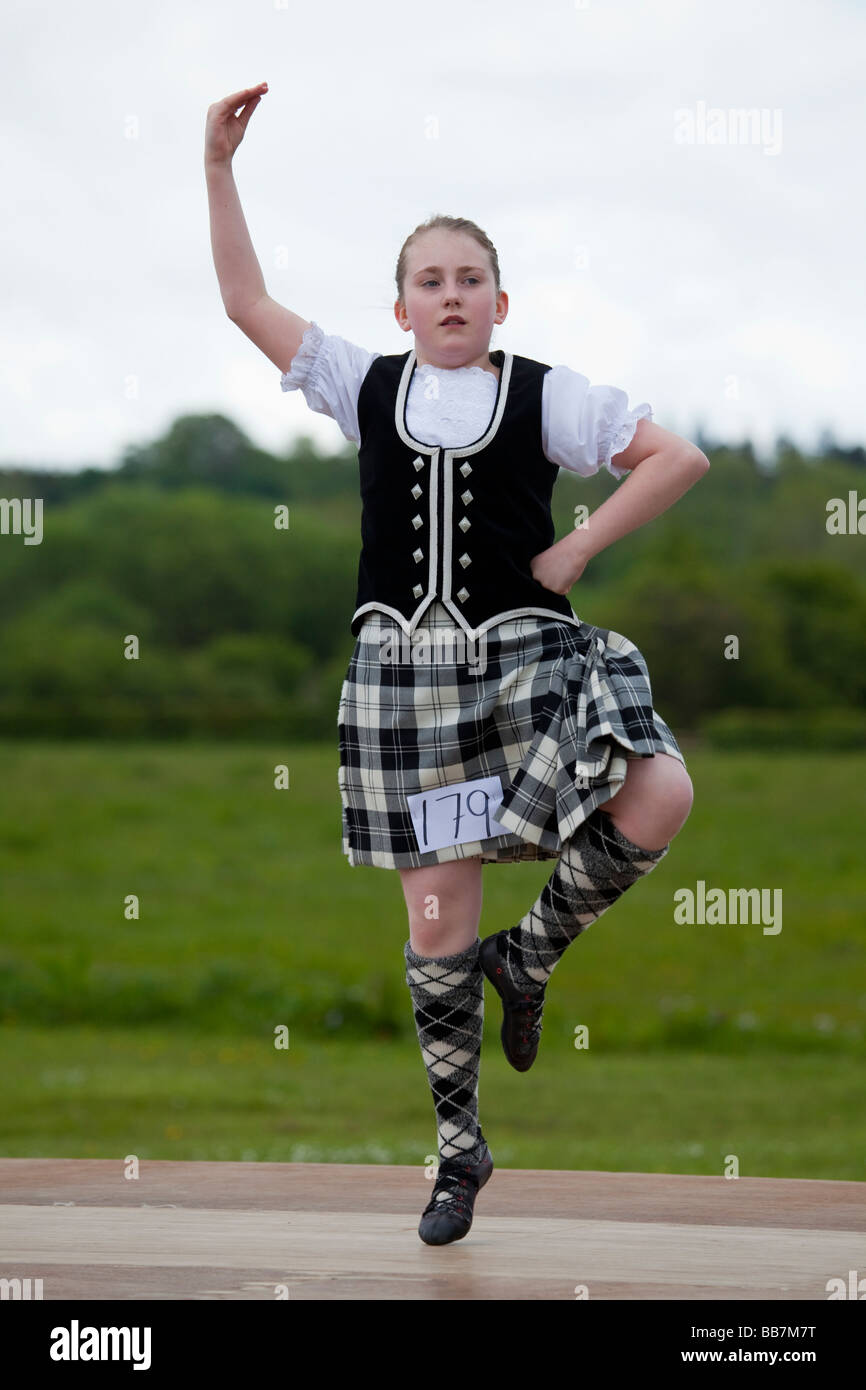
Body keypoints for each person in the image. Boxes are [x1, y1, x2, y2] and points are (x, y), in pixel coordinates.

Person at [205, 82, 709, 1248]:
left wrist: (578, 542)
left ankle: (526, 958)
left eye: (467, 278)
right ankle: (456, 1155)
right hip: (410, 694)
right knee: (436, 926)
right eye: (428, 280)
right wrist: (218, 166)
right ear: (399, 306)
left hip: (528, 672)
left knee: (660, 789)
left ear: (497, 300)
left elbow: (673, 457)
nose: (449, 295)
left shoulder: (544, 395)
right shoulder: (362, 383)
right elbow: (241, 300)